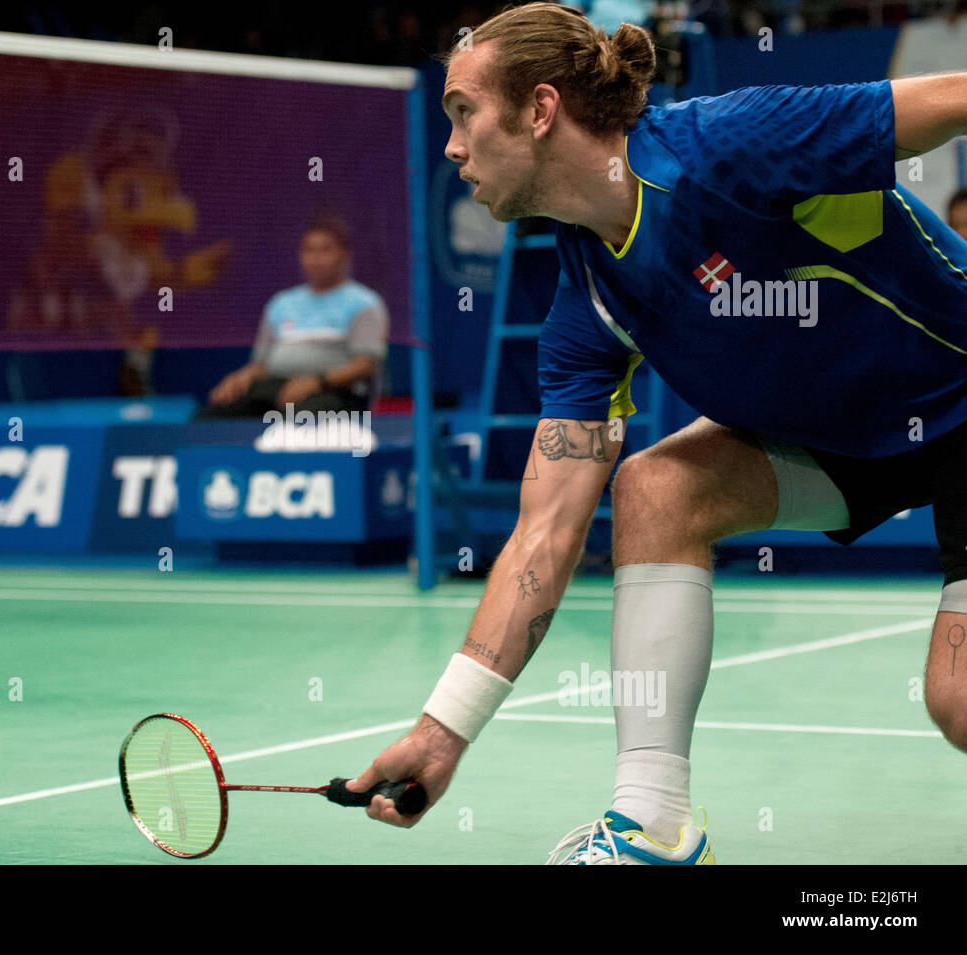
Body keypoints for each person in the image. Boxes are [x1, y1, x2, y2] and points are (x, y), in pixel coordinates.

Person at [346, 1, 967, 864]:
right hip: (853, 446)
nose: (451, 146)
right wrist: (442, 732)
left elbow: (955, 94)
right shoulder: (586, 307)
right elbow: (546, 530)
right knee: (655, 489)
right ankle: (655, 824)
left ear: (539, 109)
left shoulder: (731, 146)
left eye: (463, 112)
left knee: (959, 703)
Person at [198, 217, 387, 418]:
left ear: (345, 255)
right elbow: (261, 365)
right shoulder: (280, 303)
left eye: (325, 250)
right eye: (309, 250)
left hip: (332, 390)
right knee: (214, 413)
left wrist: (316, 382)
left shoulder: (364, 303)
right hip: (275, 387)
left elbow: (366, 365)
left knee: (303, 418)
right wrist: (240, 378)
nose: (316, 258)